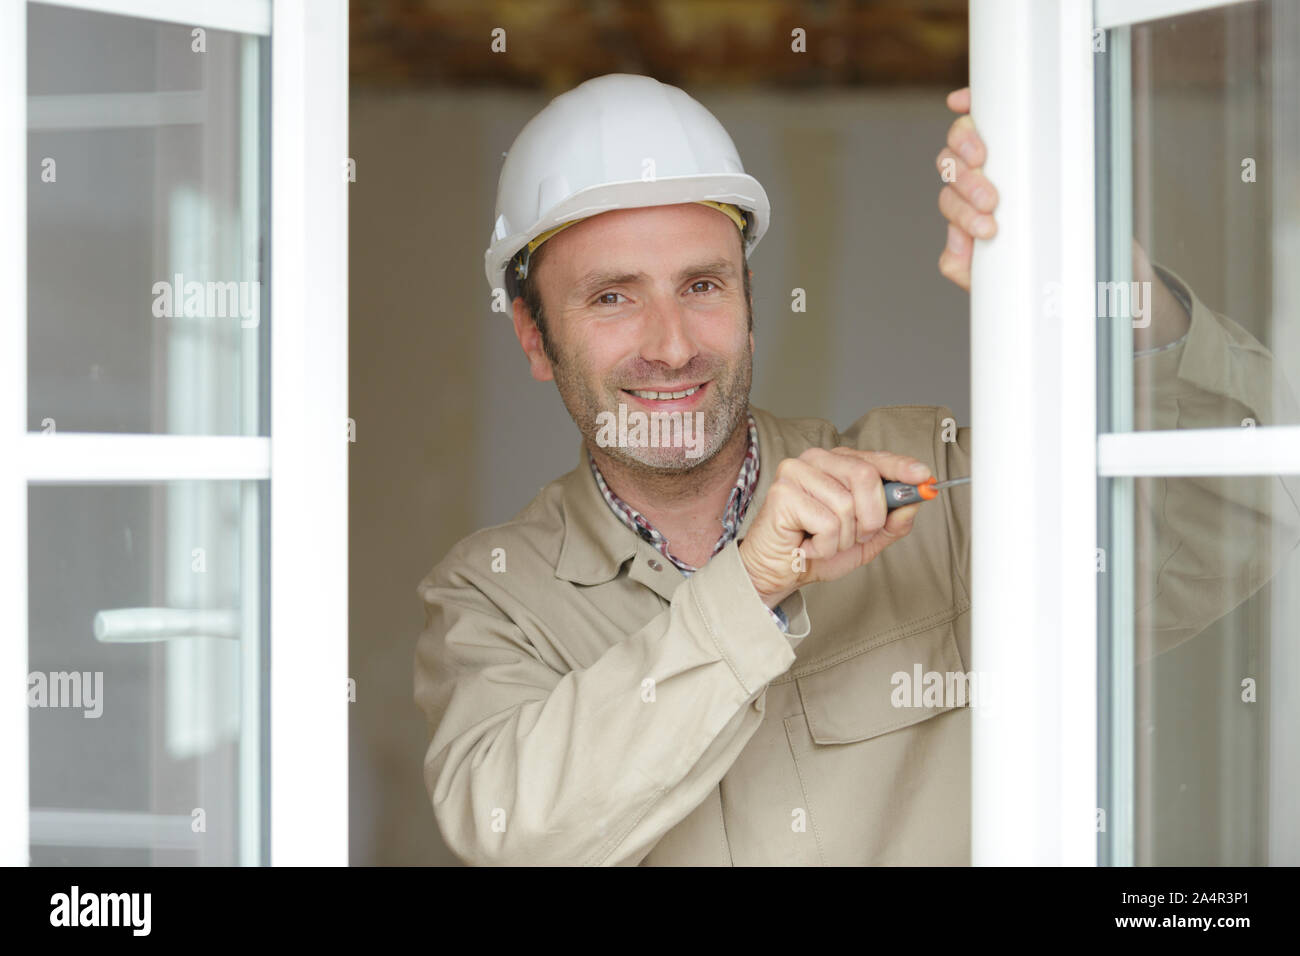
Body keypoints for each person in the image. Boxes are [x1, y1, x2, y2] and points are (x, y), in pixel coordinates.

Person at [413, 73, 1298, 865]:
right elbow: (512, 831)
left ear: (749, 304)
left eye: (703, 285)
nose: (672, 345)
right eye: (613, 297)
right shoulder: (495, 599)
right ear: (535, 336)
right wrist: (749, 586)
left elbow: (1256, 503)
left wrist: (1120, 298)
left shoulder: (930, 495)